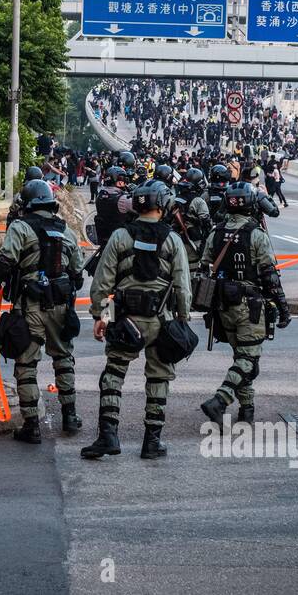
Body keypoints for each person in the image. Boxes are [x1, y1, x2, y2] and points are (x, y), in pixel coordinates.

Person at [83, 179, 191, 460]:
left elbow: (103, 283)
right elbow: (182, 287)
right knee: (158, 379)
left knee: (113, 374)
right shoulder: (173, 240)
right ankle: (151, 442)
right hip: (161, 320)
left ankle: (108, 436)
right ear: (163, 204)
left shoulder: (120, 236)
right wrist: (182, 318)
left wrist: (102, 317)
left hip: (124, 319)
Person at [0, 179, 85, 442]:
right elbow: (77, 275)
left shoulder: (20, 227)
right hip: (60, 305)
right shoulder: (66, 230)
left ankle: (32, 425)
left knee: (26, 363)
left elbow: (5, 263)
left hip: (30, 306)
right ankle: (70, 416)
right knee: (64, 359)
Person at [198, 182, 291, 427]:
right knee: (249, 358)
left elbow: (205, 264)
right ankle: (220, 400)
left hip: (222, 304)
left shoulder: (216, 232)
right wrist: (283, 307)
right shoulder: (256, 234)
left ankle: (247, 409)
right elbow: (269, 275)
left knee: (242, 357)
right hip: (249, 305)